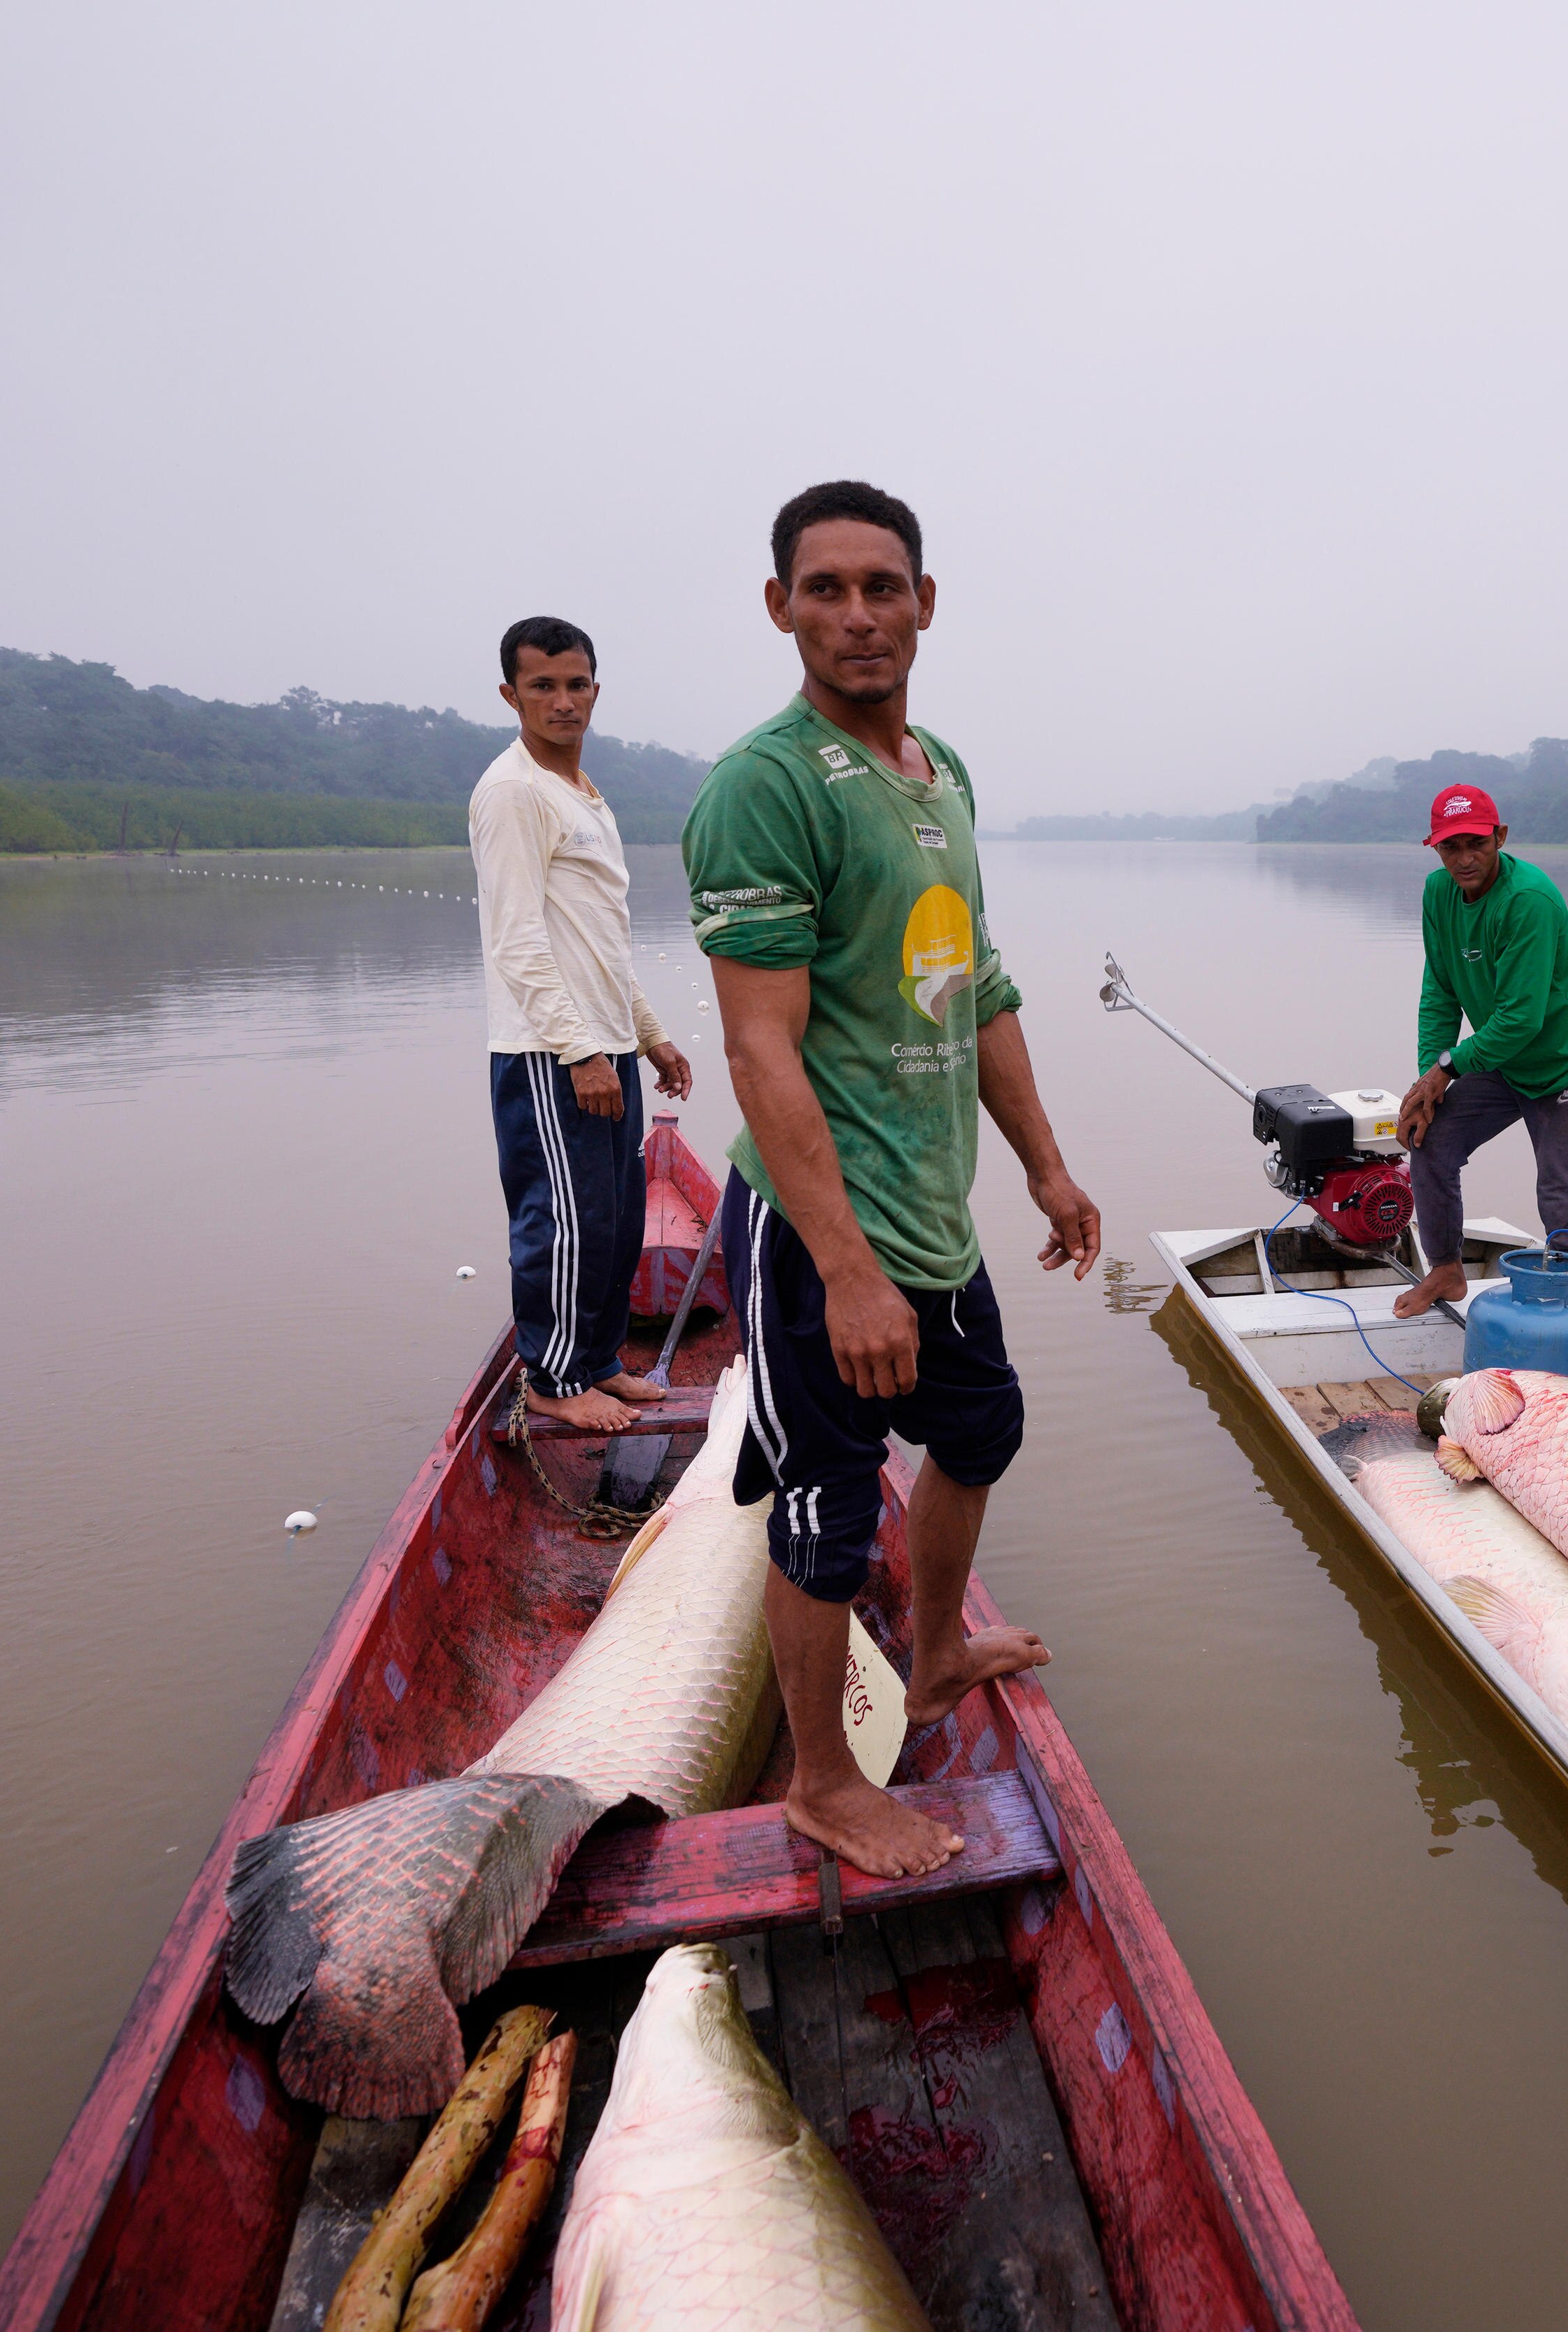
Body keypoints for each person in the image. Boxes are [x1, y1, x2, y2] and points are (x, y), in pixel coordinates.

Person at [685, 480, 1101, 1881]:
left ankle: (928, 1662)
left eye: (882, 586)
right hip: (820, 1229)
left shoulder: (941, 774)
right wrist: (848, 1268)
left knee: (979, 1426)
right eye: (826, 588)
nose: (857, 615)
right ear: (780, 607)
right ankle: (820, 1783)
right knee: (823, 1505)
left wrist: (1046, 1167)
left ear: (925, 602)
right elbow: (759, 1046)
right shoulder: (767, 787)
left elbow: (975, 985)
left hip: (933, 1214)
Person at [474, 615, 695, 1437]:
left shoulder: (583, 794)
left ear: (595, 690)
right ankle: (554, 1378)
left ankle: (598, 1360)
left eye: (575, 685)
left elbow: (599, 941)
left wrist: (649, 1035)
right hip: (549, 1053)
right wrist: (577, 1052)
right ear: (512, 695)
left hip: (604, 1046)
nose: (562, 701)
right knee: (563, 1222)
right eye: (543, 686)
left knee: (614, 1220)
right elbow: (518, 941)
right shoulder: (513, 792)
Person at [1390, 783, 1568, 1317]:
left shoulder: (1528, 900)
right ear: (1435, 848)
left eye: (1476, 843)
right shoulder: (1438, 893)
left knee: (1563, 1202)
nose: (1464, 859)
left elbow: (1521, 1018)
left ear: (1500, 837)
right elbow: (1440, 992)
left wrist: (1449, 1066)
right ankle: (1446, 1269)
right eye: (1450, 847)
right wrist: (1430, 1079)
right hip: (1505, 1058)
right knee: (1429, 1135)